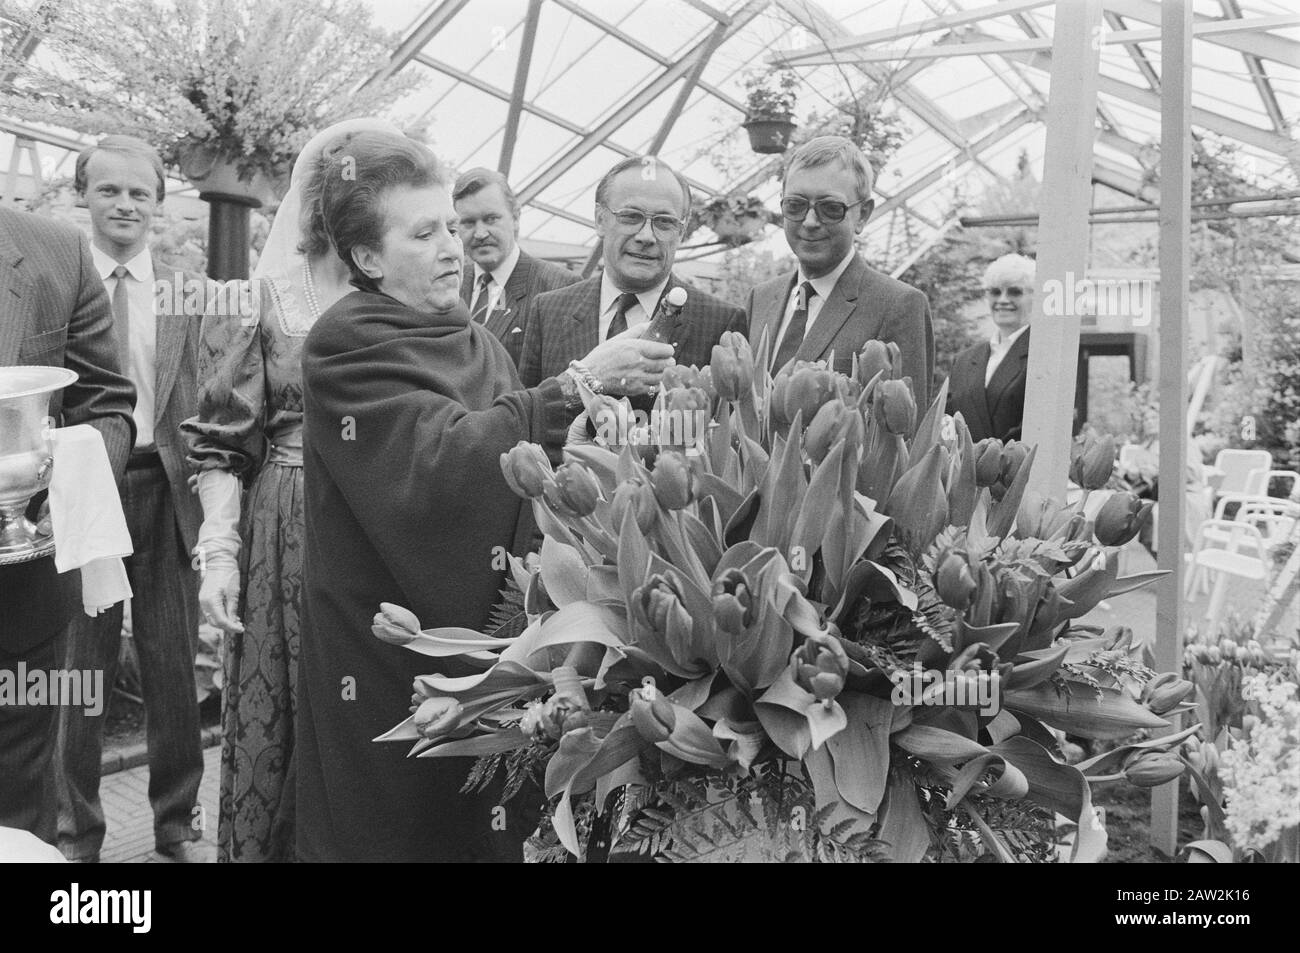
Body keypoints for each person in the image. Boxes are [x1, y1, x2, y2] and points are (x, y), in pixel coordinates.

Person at [298, 130, 585, 862]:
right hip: (386, 650)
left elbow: (512, 466)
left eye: (452, 227)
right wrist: (567, 392)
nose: (453, 247)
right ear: (367, 259)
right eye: (424, 233)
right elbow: (432, 473)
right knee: (393, 827)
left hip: (479, 647)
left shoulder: (474, 337)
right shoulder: (345, 342)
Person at [181, 118, 400, 862]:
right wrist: (219, 554)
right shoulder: (261, 300)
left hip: (382, 532)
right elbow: (220, 441)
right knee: (286, 723)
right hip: (290, 532)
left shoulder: (406, 297)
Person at [54, 135, 211, 863]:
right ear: (83, 194)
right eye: (109, 190)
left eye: (139, 192)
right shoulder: (56, 281)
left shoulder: (189, 289)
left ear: (158, 202)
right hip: (81, 493)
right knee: (78, 670)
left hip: (163, 488)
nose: (124, 204)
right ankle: (75, 831)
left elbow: (210, 398)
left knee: (172, 667)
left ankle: (177, 820)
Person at [0, 205, 135, 845]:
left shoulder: (55, 250)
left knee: (19, 825)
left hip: (18, 612)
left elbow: (107, 404)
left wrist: (61, 481)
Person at [518, 155, 745, 394]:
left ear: (681, 231)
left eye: (664, 222)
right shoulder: (549, 311)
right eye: (630, 217)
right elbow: (531, 419)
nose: (646, 236)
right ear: (600, 220)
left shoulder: (721, 322)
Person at [746, 136, 934, 412]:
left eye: (830, 209)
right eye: (796, 206)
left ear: (863, 215)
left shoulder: (898, 305)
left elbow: (905, 433)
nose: (810, 222)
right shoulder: (761, 298)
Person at [453, 167, 579, 366]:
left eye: (491, 219)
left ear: (516, 217)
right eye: (468, 223)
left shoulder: (560, 287)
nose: (480, 233)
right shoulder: (451, 284)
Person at [946, 253, 1034, 442]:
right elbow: (947, 420)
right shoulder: (963, 360)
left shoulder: (1043, 356)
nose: (1003, 300)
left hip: (1017, 468)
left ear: (1036, 297)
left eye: (1015, 292)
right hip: (962, 468)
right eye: (995, 292)